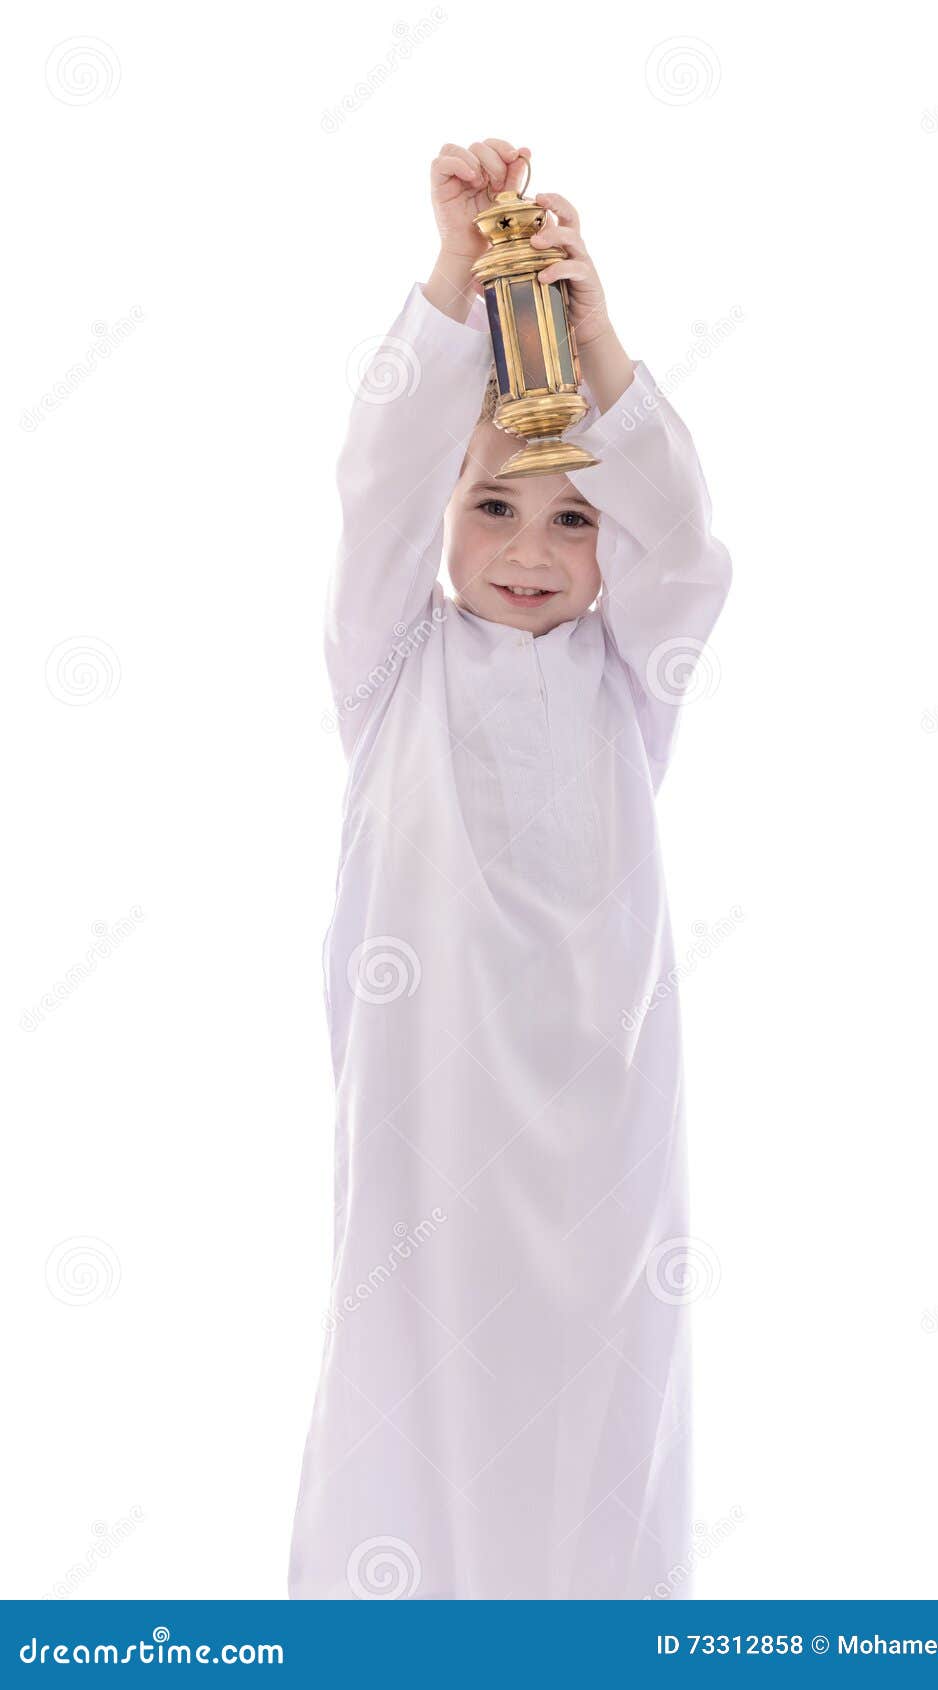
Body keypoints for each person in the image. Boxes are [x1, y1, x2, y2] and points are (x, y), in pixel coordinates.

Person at [288, 137, 732, 1600]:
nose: (530, 549)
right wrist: (452, 269)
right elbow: (376, 477)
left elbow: (693, 546)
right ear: (443, 519)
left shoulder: (631, 674)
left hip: (598, 1134)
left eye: (570, 516)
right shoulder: (392, 661)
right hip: (433, 1126)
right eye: (491, 506)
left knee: (598, 1414)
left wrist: (591, 336)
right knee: (417, 1402)